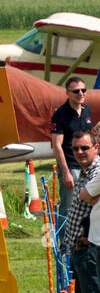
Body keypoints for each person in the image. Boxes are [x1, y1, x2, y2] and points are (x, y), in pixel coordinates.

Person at [58, 130, 100, 293]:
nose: (80, 152)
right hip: (75, 246)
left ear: (95, 147)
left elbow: (89, 199)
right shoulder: (85, 172)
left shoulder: (98, 171)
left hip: (88, 246)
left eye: (84, 148)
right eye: (75, 149)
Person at [50, 77, 93, 219]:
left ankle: (84, 240)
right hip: (71, 167)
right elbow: (56, 145)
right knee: (69, 208)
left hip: (88, 168)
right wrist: (66, 172)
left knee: (89, 206)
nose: (81, 93)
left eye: (83, 90)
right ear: (67, 93)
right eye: (76, 91)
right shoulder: (60, 115)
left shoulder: (86, 111)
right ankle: (65, 241)